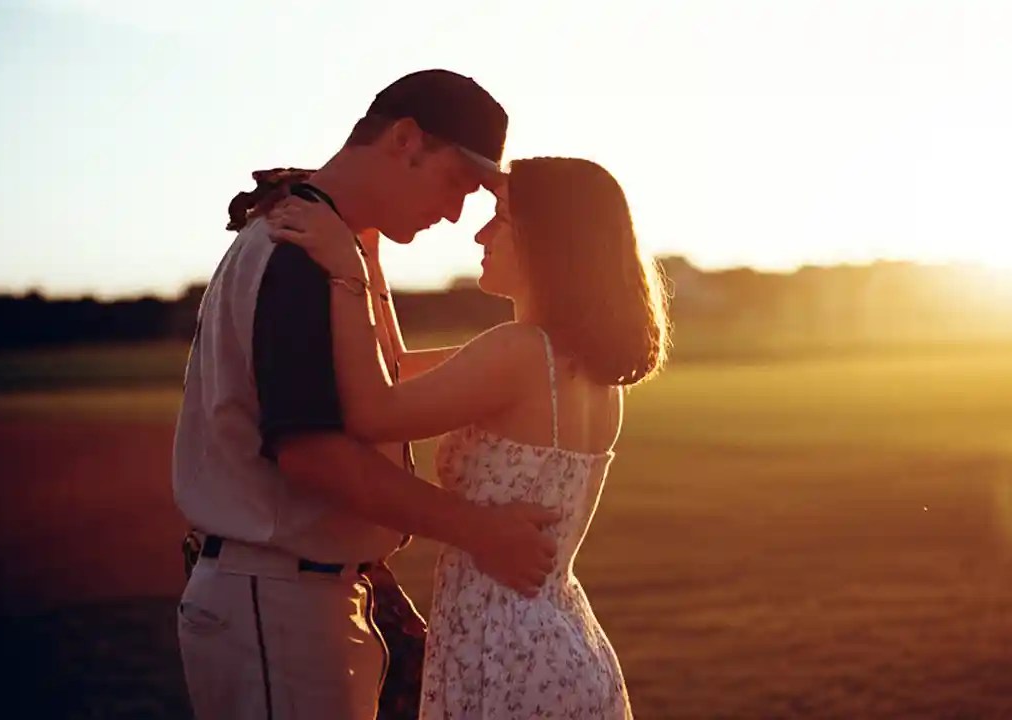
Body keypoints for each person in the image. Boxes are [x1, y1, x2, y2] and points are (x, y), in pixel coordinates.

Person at [172, 69, 559, 720]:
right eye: (457, 183)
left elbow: (384, 377)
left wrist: (541, 356)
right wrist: (480, 530)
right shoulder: (301, 250)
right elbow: (314, 455)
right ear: (407, 141)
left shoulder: (329, 241)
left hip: (297, 595)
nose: (459, 213)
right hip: (278, 597)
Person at [265, 155, 669, 718]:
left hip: (504, 653)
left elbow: (372, 411)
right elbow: (397, 365)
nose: (480, 233)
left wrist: (343, 272)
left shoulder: (519, 351)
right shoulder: (579, 366)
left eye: (500, 217)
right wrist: (370, 259)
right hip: (555, 645)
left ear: (546, 241)